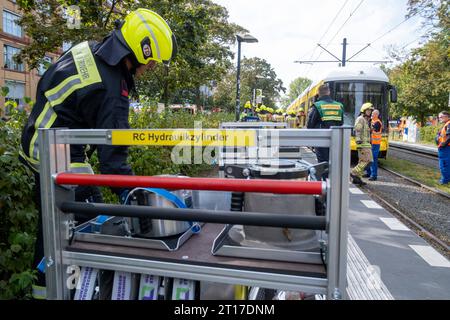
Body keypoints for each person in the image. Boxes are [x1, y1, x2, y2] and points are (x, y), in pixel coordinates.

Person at [19, 8, 177, 299]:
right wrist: (136, 201)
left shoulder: (92, 50)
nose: (152, 66)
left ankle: (45, 287)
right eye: (152, 59)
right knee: (87, 223)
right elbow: (113, 161)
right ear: (139, 50)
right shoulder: (112, 87)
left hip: (41, 138)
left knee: (53, 222)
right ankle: (69, 289)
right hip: (56, 151)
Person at [306, 84, 344, 178]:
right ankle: (334, 183)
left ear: (319, 94)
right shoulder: (339, 106)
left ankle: (324, 185)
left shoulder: (317, 106)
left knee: (323, 163)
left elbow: (309, 125)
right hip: (335, 140)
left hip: (321, 140)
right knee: (333, 162)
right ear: (329, 92)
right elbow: (341, 123)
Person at [351, 103, 374, 186]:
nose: (369, 112)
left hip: (366, 144)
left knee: (364, 161)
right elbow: (357, 130)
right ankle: (354, 172)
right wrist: (358, 140)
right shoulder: (360, 119)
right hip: (363, 144)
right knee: (367, 161)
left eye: (370, 110)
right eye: (368, 110)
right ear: (363, 110)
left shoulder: (366, 120)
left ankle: (357, 178)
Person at [365, 109, 382, 181]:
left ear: (376, 115)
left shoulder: (378, 122)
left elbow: (371, 130)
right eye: (371, 114)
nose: (371, 115)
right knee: (368, 158)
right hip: (370, 143)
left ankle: (374, 175)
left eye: (373, 114)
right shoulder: (371, 121)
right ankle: (368, 173)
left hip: (375, 144)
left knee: (373, 159)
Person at [436, 111, 450, 185]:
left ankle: (445, 180)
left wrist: (442, 145)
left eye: (441, 117)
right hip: (445, 148)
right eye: (439, 117)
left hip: (446, 148)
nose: (439, 118)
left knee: (444, 164)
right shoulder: (446, 124)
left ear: (447, 116)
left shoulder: (449, 124)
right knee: (446, 164)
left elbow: (449, 136)